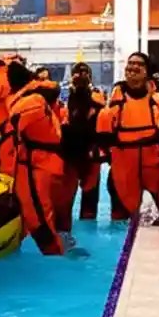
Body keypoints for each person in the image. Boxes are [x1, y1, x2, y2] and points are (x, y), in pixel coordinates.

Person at [2, 61, 66, 255]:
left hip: (37, 164)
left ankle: (54, 255)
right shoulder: (40, 95)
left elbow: (14, 132)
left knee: (38, 217)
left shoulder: (28, 102)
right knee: (44, 214)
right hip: (44, 163)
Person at [97, 52, 159, 220]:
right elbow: (103, 137)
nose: (133, 67)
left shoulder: (158, 102)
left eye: (139, 64)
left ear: (147, 71)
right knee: (120, 217)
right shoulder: (115, 104)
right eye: (130, 63)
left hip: (154, 166)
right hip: (123, 167)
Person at [53, 62, 105, 232]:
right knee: (66, 198)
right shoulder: (64, 97)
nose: (81, 76)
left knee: (89, 199)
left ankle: (85, 225)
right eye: (77, 73)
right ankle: (66, 227)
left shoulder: (97, 97)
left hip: (90, 150)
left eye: (84, 73)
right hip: (71, 151)